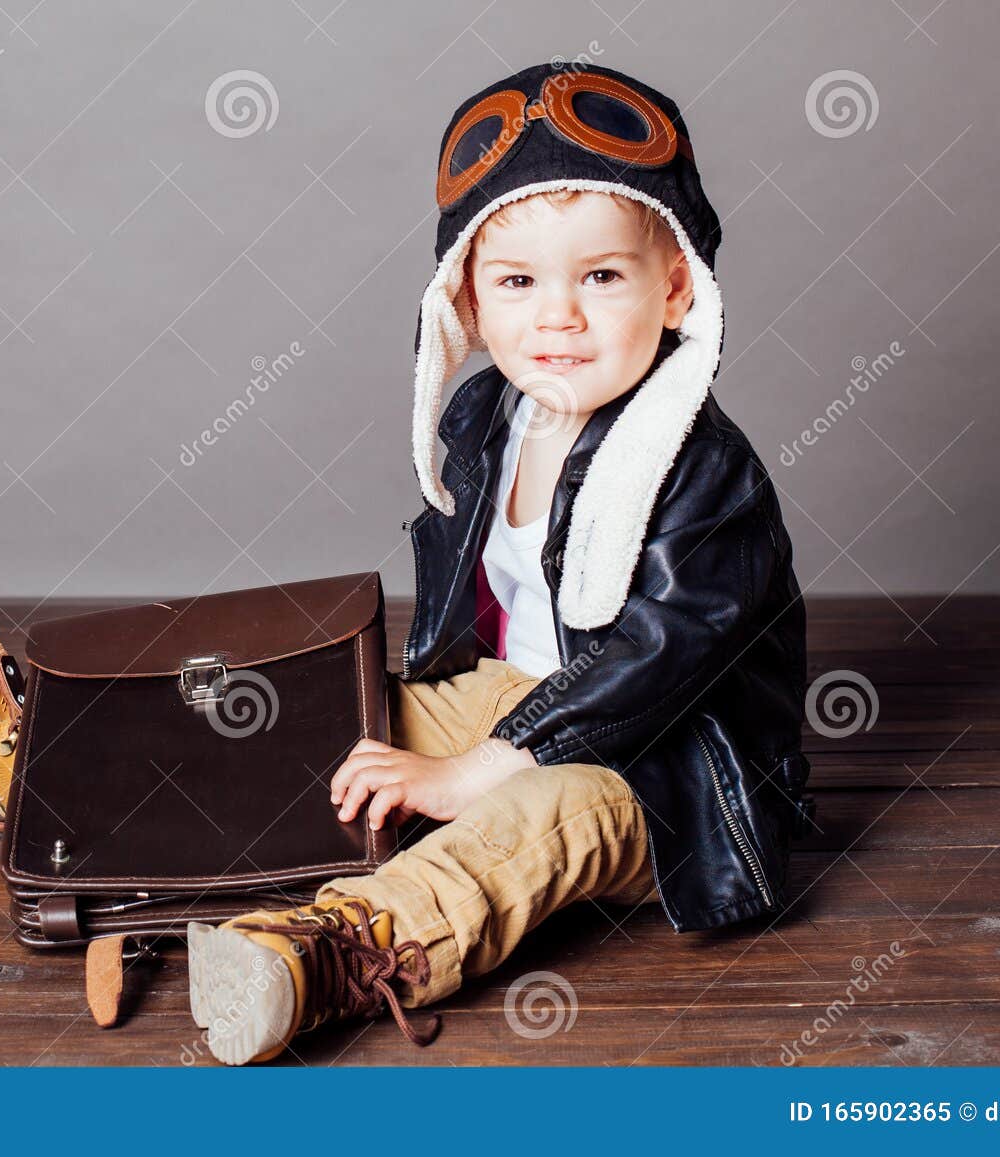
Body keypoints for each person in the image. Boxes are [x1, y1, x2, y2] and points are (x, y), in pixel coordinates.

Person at [185, 61, 814, 1066]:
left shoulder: (703, 468)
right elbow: (467, 629)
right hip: (516, 695)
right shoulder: (485, 416)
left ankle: (337, 950)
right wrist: (427, 735)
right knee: (350, 726)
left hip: (672, 761)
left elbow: (652, 661)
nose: (556, 316)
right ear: (466, 302)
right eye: (517, 281)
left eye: (601, 276)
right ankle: (91, 790)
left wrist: (474, 768)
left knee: (536, 813)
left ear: (676, 287)